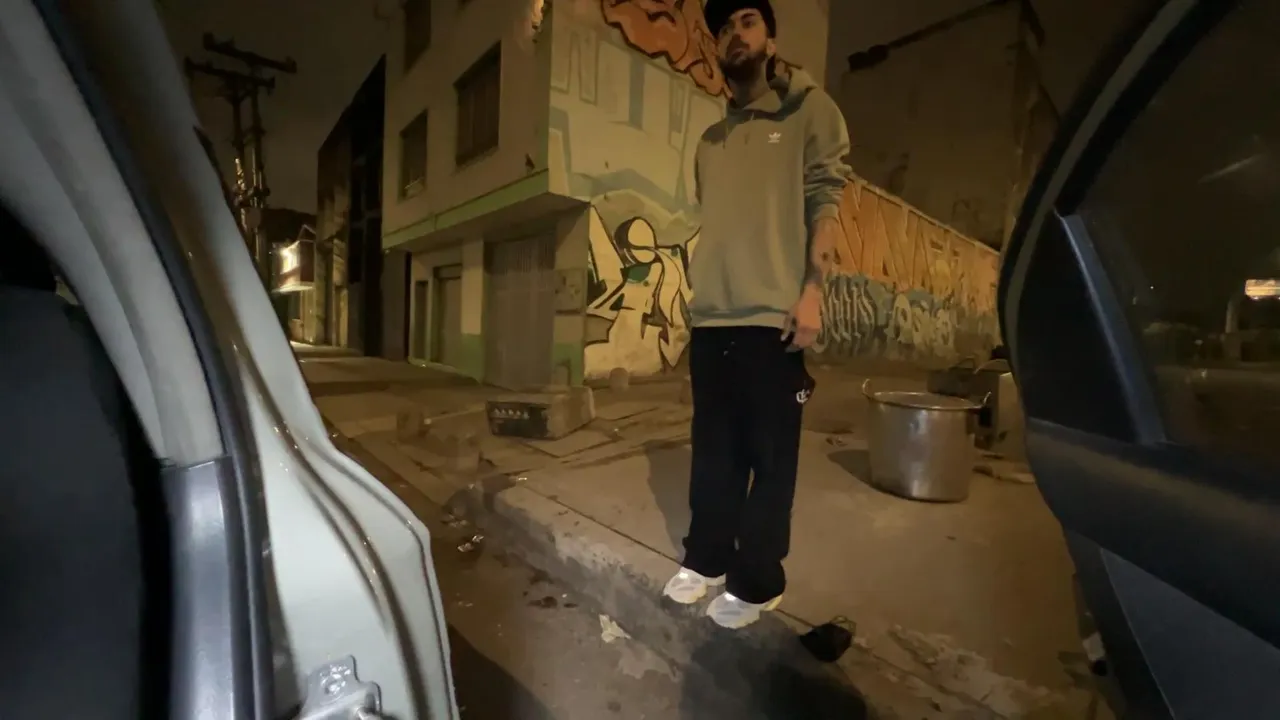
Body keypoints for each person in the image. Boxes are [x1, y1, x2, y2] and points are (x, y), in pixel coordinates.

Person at [662, 0, 851, 629]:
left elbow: (825, 201)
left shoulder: (809, 112)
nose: (733, 35)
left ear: (770, 40)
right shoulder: (710, 142)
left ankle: (759, 581)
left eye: (747, 21)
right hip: (712, 319)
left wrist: (812, 292)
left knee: (770, 462)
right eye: (723, 28)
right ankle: (707, 557)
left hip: (774, 319)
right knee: (714, 454)